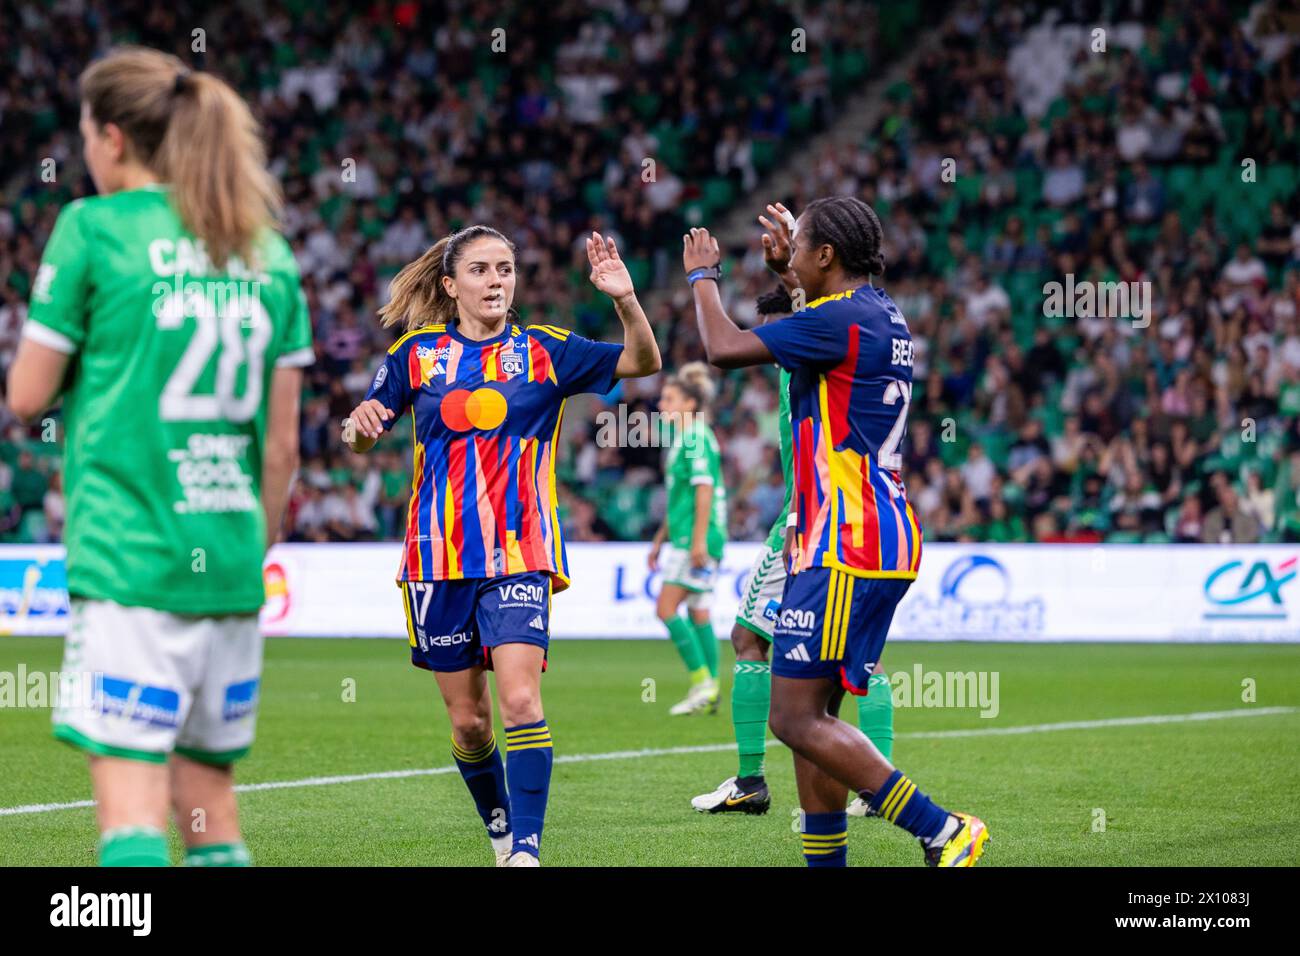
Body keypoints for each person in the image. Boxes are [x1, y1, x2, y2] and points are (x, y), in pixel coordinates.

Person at [6, 47, 311, 867]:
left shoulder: (93, 229)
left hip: (130, 555)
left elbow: (27, 396)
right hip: (231, 562)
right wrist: (255, 544)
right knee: (210, 809)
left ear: (110, 138)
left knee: (133, 813)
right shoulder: (267, 251)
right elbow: (282, 446)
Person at [681, 197, 989, 867]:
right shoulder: (876, 312)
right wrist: (793, 283)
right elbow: (816, 336)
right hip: (872, 535)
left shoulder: (840, 318)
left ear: (827, 257)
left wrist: (702, 276)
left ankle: (942, 829)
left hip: (846, 540)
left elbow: (723, 347)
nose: (785, 256)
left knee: (793, 718)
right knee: (814, 720)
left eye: (799, 248)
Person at [345, 225, 659, 866]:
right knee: (470, 723)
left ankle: (527, 850)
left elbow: (642, 362)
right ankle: (498, 829)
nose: (496, 282)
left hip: (521, 551)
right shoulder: (416, 355)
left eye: (506, 270)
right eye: (482, 270)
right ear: (450, 284)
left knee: (520, 700)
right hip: (436, 557)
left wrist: (625, 299)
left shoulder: (546, 350)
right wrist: (359, 426)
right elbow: (362, 431)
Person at [690, 283, 898, 818]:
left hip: (810, 522)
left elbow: (732, 346)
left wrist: (703, 279)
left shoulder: (806, 364)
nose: (765, 342)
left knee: (747, 640)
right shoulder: (840, 366)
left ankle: (751, 780)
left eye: (771, 330)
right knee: (853, 662)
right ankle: (873, 792)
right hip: (866, 522)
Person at [647, 361, 727, 716]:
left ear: (689, 404)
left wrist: (696, 543)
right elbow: (681, 496)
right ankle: (710, 687)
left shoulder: (694, 437)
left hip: (697, 538)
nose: (662, 405)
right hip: (696, 535)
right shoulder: (687, 437)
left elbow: (704, 490)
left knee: (666, 608)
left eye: (669, 399)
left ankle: (703, 682)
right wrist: (659, 538)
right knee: (699, 611)